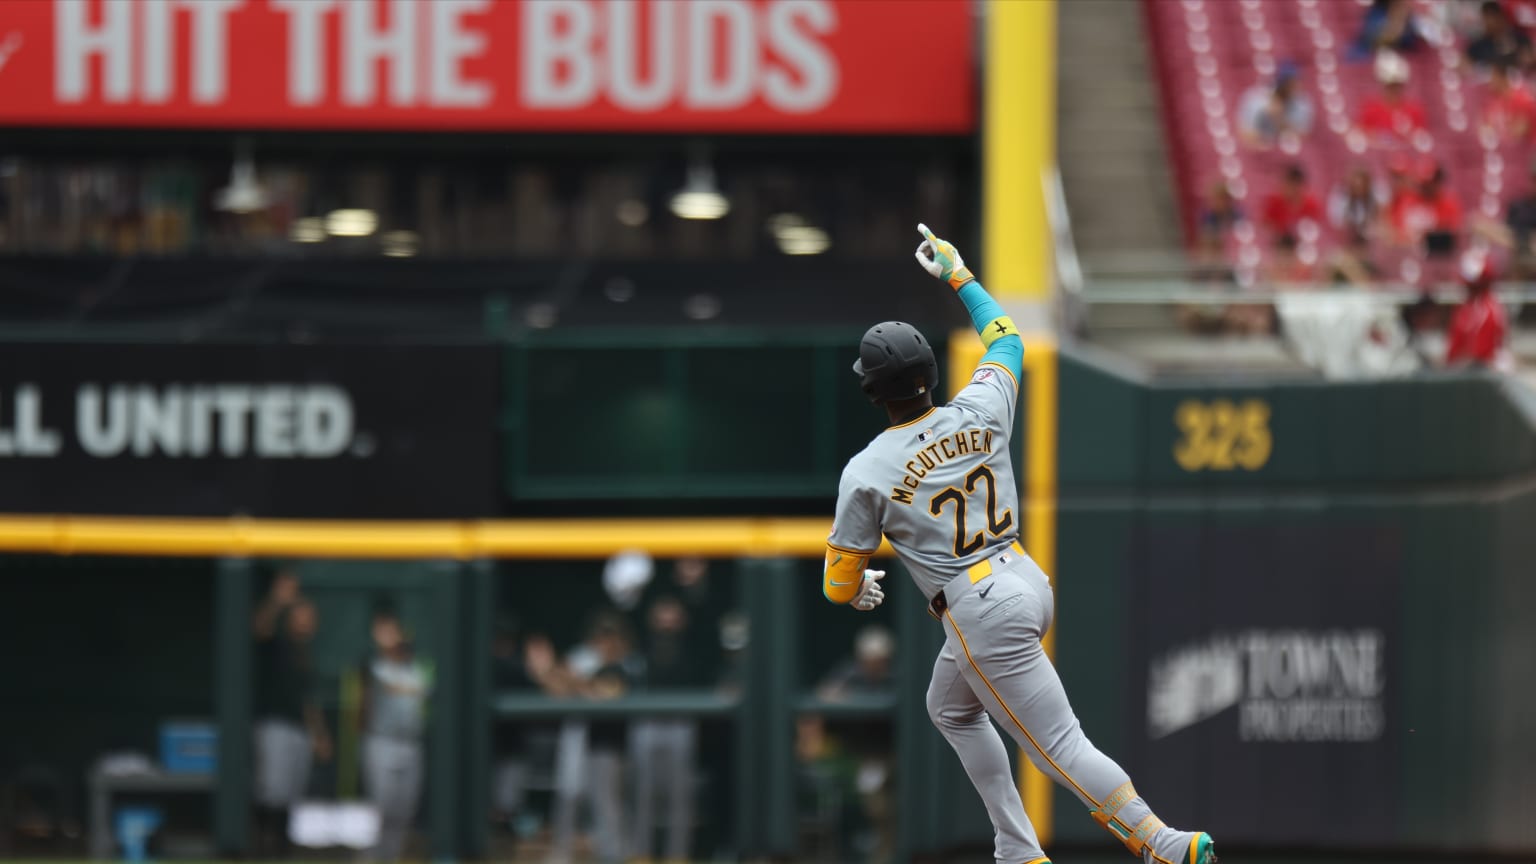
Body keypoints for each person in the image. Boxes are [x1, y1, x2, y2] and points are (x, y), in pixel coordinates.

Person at [821, 224, 1216, 864]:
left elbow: (839, 583)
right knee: (948, 708)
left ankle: (1161, 841)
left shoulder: (867, 469)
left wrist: (859, 587)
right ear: (928, 372)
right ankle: (1016, 847)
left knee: (1058, 744)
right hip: (1025, 578)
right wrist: (956, 273)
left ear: (872, 390)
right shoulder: (979, 405)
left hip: (978, 605)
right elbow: (1005, 336)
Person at [251, 571, 331, 859]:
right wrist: (277, 600)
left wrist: (319, 734)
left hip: (298, 730)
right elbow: (259, 627)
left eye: (312, 617)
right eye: (303, 615)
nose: (309, 621)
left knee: (288, 797)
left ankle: (281, 852)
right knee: (270, 793)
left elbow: (309, 700)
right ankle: (261, 850)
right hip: (275, 724)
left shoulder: (305, 653)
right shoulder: (277, 643)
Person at [629, 595, 703, 862]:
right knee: (643, 791)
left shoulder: (693, 647)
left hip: (681, 721)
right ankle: (641, 852)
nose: (667, 622)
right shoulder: (642, 644)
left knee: (680, 793)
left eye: (672, 616)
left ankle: (678, 853)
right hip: (647, 720)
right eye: (662, 616)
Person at [359, 605, 433, 862]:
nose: (388, 637)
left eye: (392, 631)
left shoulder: (416, 667)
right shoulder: (371, 662)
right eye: (382, 631)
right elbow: (382, 684)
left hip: (411, 744)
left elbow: (426, 687)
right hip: (382, 741)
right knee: (379, 810)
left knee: (403, 813)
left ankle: (389, 859)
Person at [1446, 256, 1510, 367]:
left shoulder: (1489, 308)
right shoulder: (1465, 307)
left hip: (1483, 370)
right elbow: (1455, 344)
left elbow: (1483, 352)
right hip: (1465, 369)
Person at [1236, 62, 1315, 148]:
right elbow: (1247, 137)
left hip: (1290, 154)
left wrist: (1279, 119)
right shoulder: (1257, 100)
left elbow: (1303, 138)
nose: (1296, 87)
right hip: (1263, 151)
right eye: (1291, 83)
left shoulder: (1302, 103)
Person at [1358, 51, 1427, 146]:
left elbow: (1420, 137)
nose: (1394, 89)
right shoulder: (1371, 108)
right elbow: (1364, 135)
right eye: (1390, 86)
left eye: (1397, 85)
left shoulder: (1414, 109)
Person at [1261, 164, 1323, 247]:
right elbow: (1265, 228)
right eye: (1290, 184)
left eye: (1296, 185)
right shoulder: (1274, 203)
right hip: (1279, 247)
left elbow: (1317, 231)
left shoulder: (1312, 204)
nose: (1293, 189)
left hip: (1304, 247)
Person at [1350, 0, 1426, 60]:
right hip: (1368, 56)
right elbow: (1376, 40)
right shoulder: (1375, 15)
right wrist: (1397, 21)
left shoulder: (1413, 20)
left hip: (1404, 58)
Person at [1481, 60, 1536, 142]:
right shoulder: (1495, 101)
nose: (1490, 81)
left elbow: (1518, 135)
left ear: (1503, 78)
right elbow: (1485, 126)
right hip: (1503, 149)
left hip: (1527, 151)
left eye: (1493, 76)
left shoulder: (1522, 99)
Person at [1468, 1, 1532, 68]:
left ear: (1501, 17)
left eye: (1489, 17)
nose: (1485, 23)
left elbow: (1529, 61)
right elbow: (1466, 64)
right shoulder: (1479, 46)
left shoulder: (1521, 41)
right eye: (1484, 18)